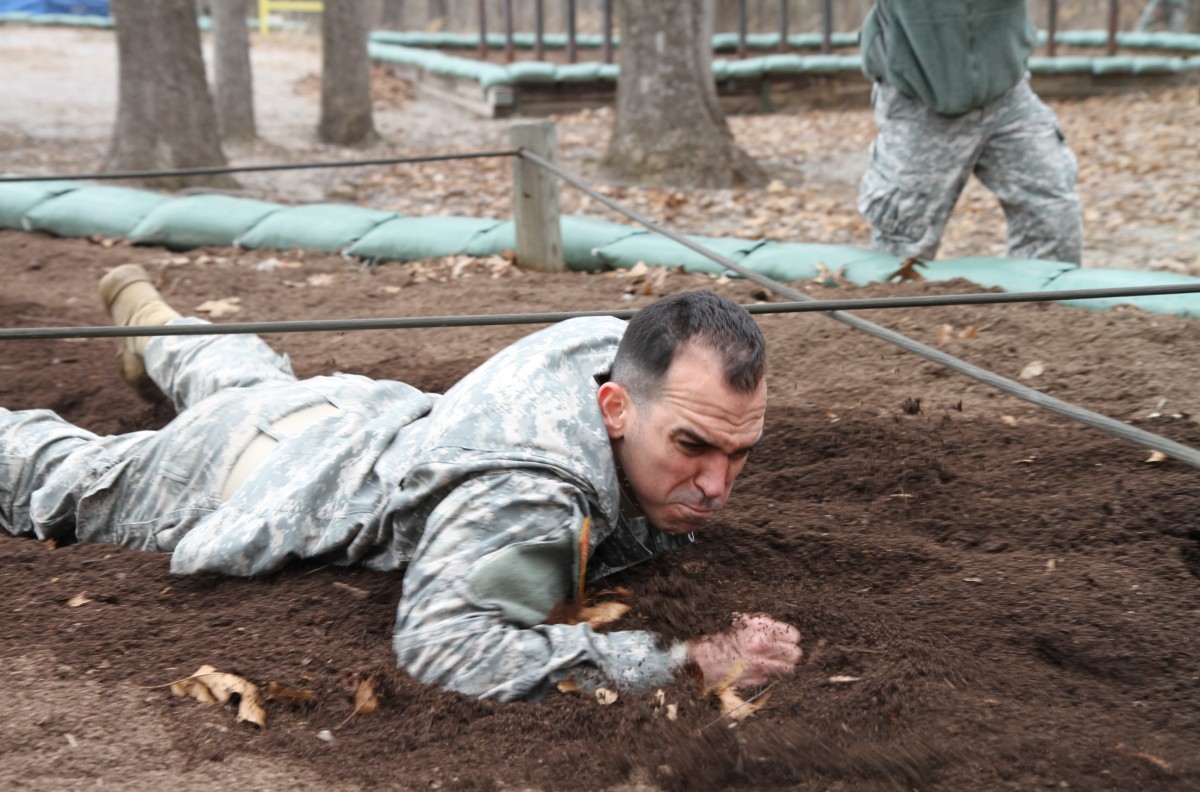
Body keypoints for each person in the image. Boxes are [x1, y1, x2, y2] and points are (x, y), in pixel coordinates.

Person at [0, 264, 802, 702]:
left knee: (248, 382)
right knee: (58, 473)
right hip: (240, 473)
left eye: (741, 453)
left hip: (346, 419)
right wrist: (680, 662)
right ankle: (151, 326)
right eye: (693, 446)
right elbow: (448, 645)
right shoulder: (530, 501)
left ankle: (150, 319)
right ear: (615, 406)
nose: (718, 485)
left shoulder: (615, 343)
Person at [857, 0, 1084, 266]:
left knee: (1052, 213)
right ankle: (892, 305)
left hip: (1006, 92)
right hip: (919, 96)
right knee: (904, 235)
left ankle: (1044, 303)